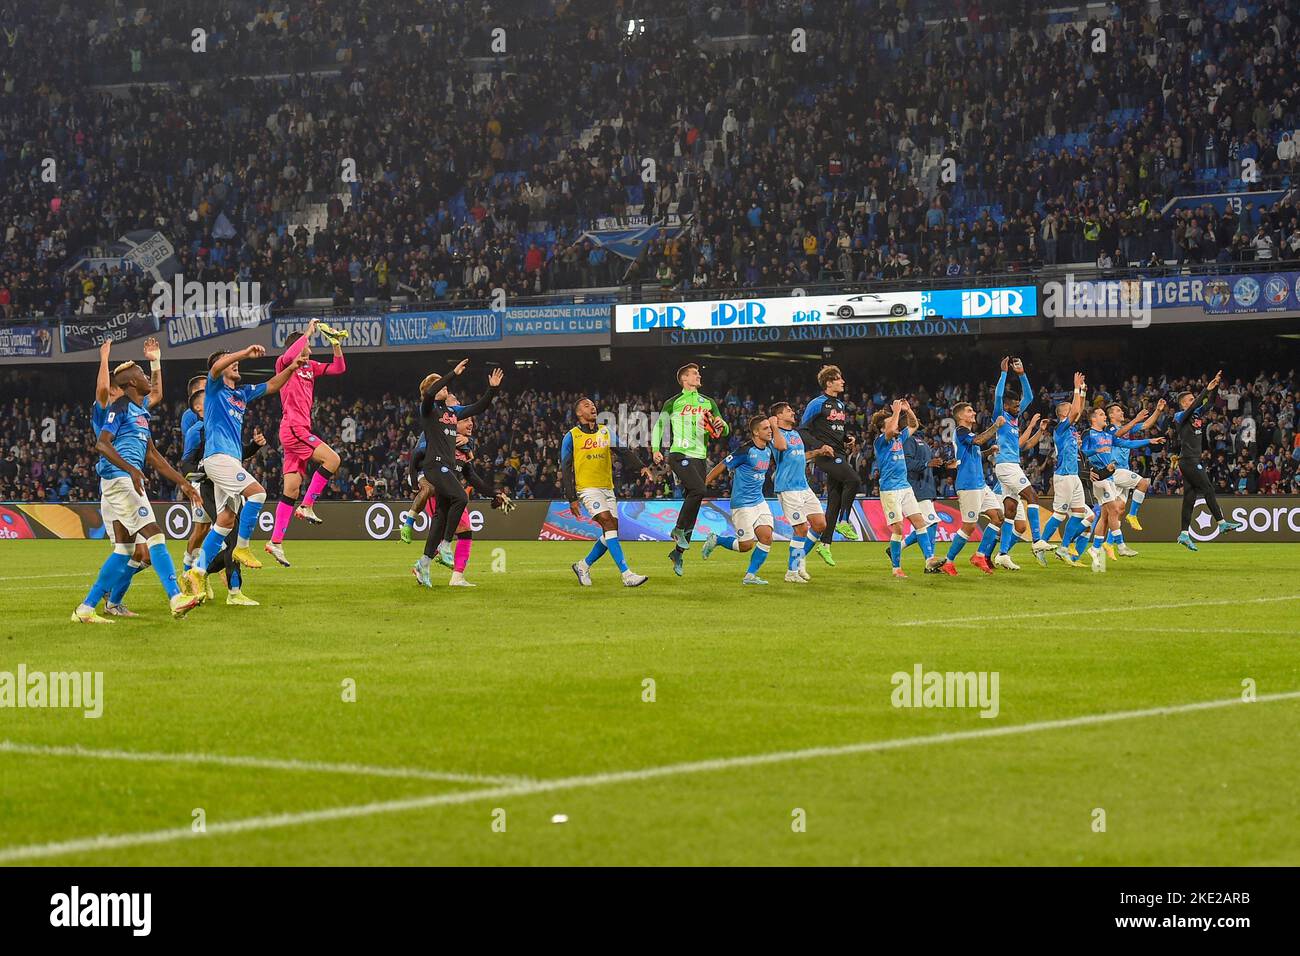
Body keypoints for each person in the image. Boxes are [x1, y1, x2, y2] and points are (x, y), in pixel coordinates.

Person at [72, 360, 203, 623]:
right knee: (155, 535)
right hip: (120, 480)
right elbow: (102, 444)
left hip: (123, 481)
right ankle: (175, 597)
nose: (146, 378)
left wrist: (183, 483)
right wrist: (131, 469)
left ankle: (86, 608)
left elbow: (152, 455)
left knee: (124, 550)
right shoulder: (119, 407)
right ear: (132, 382)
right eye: (143, 374)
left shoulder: (140, 412)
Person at [184, 345, 306, 596]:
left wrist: (292, 368)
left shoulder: (240, 394)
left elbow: (272, 385)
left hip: (231, 460)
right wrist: (244, 353)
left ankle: (196, 571)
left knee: (225, 521)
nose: (235, 363)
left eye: (236, 361)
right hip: (218, 458)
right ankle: (242, 547)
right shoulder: (215, 388)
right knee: (258, 493)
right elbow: (216, 367)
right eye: (230, 361)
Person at [89, 337, 165, 617]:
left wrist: (155, 363)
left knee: (141, 555)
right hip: (116, 482)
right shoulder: (104, 410)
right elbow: (101, 390)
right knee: (135, 551)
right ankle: (105, 598)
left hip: (127, 481)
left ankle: (110, 596)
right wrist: (104, 358)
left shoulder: (131, 409)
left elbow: (156, 395)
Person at [265, 318, 347, 567]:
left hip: (299, 429)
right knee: (332, 459)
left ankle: (275, 542)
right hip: (294, 427)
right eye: (307, 345)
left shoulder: (310, 367)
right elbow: (292, 353)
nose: (310, 349)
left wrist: (335, 344)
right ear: (298, 346)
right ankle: (307, 505)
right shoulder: (283, 363)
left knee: (291, 488)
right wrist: (308, 331)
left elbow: (338, 368)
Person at [401, 366, 503, 544]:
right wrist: (415, 482)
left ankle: (433, 555)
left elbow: (478, 408)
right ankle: (410, 523)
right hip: (424, 471)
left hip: (443, 474)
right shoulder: (432, 421)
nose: (457, 403)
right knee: (433, 494)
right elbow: (417, 454)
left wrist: (492, 389)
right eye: (453, 400)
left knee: (449, 521)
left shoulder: (453, 421)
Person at [652, 363, 730, 577]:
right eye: (695, 373)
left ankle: (677, 553)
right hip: (679, 453)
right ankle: (677, 529)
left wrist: (721, 425)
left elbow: (724, 428)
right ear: (684, 379)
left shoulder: (708, 402)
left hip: (700, 458)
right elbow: (659, 426)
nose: (699, 376)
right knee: (699, 490)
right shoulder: (673, 402)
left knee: (694, 505)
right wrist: (655, 449)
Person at [563, 397, 651, 588]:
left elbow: (623, 451)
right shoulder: (571, 436)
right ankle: (627, 574)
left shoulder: (605, 431)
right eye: (587, 405)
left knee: (610, 531)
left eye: (593, 404)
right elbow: (565, 468)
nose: (592, 407)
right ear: (578, 413)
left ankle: (582, 565)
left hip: (607, 488)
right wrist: (571, 498)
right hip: (587, 489)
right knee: (608, 523)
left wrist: (641, 466)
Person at [991, 357, 1054, 567]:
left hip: (1010, 466)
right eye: (1015, 405)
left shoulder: (1015, 419)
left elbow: (1030, 396)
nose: (1019, 408)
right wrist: (1003, 373)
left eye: (1019, 405)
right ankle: (1037, 540)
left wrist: (1021, 374)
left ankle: (1002, 554)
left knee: (1010, 510)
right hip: (1006, 465)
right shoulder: (1000, 415)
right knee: (1032, 496)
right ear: (1006, 406)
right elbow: (998, 395)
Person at [700, 416, 776, 585]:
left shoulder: (768, 449)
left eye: (769, 427)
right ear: (756, 432)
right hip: (742, 504)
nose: (770, 430)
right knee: (746, 546)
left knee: (766, 537)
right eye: (765, 428)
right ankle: (717, 540)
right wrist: (703, 485)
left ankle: (750, 576)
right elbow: (722, 465)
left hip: (759, 501)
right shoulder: (745, 451)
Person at [1174, 370, 1244, 550]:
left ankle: (1184, 534)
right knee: (1208, 488)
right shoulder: (1179, 416)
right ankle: (1221, 523)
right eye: (1190, 399)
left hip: (1191, 459)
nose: (1193, 401)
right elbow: (1196, 404)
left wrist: (1214, 388)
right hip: (1189, 459)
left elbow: (1210, 403)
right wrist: (1206, 389)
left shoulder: (1196, 414)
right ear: (1183, 403)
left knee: (1189, 497)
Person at [872, 399, 943, 578]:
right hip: (890, 490)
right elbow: (890, 430)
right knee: (898, 528)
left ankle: (929, 559)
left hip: (905, 487)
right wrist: (896, 412)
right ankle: (896, 568)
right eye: (891, 422)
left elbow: (913, 424)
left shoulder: (900, 438)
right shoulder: (880, 441)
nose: (895, 424)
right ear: (882, 428)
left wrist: (908, 410)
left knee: (920, 522)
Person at [799, 365, 860, 566]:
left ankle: (825, 545)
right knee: (854, 480)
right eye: (839, 379)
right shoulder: (817, 403)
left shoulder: (840, 404)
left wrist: (847, 438)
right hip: (826, 455)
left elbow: (835, 430)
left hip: (839, 453)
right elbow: (803, 430)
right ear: (829, 382)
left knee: (834, 500)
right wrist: (820, 446)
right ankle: (844, 521)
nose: (843, 381)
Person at [768, 402, 833, 582]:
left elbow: (799, 456)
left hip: (803, 486)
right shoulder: (775, 434)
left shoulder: (795, 434)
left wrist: (819, 451)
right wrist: (774, 426)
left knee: (820, 524)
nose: (793, 412)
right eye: (788, 411)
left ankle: (799, 559)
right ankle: (792, 572)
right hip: (788, 488)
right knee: (801, 528)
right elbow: (781, 447)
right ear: (778, 416)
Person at [943, 402, 1004, 575]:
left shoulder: (968, 435)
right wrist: (996, 426)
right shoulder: (961, 431)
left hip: (980, 484)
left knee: (998, 517)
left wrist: (988, 452)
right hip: (968, 485)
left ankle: (979, 555)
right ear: (961, 416)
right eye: (969, 411)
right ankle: (948, 561)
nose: (974, 412)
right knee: (969, 526)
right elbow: (978, 440)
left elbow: (975, 452)